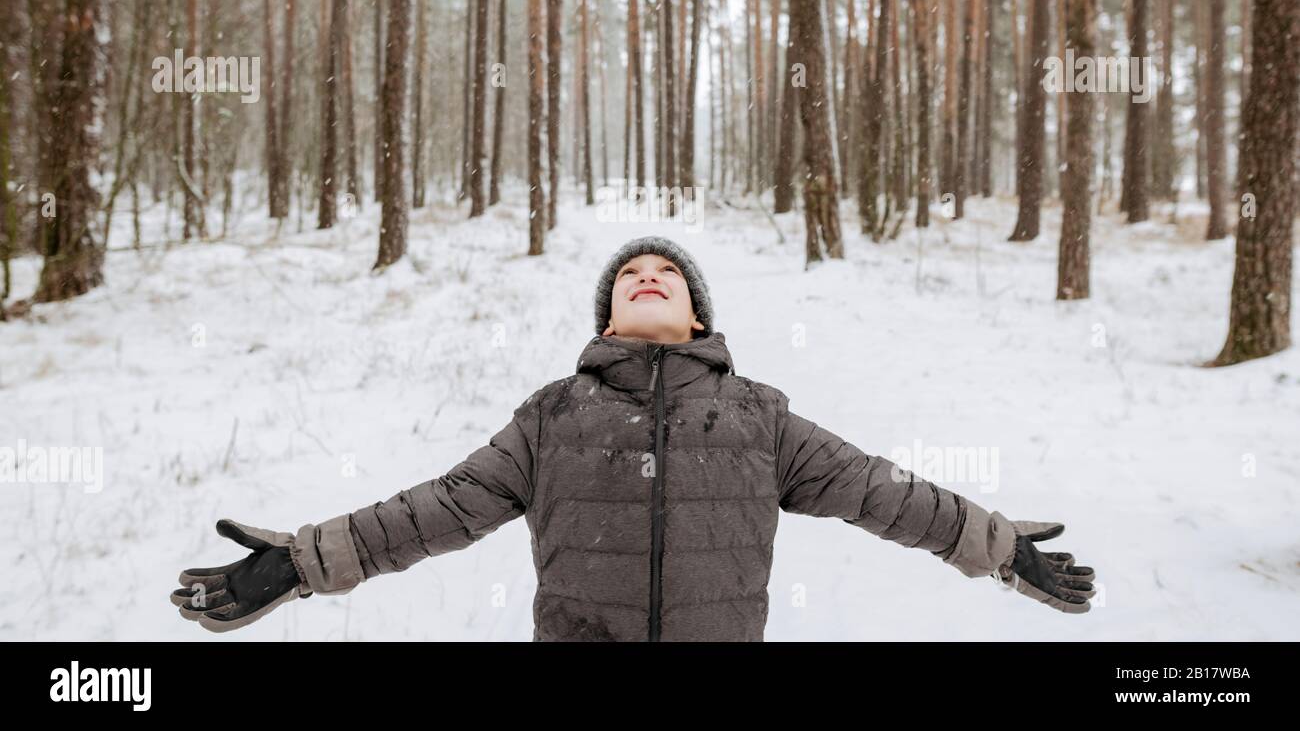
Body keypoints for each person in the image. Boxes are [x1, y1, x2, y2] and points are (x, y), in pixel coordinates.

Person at [172, 236, 1095, 640]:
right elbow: (435, 510)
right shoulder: (552, 417)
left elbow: (885, 492)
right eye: (630, 275)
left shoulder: (759, 417)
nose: (647, 278)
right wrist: (303, 561)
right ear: (609, 318)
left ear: (697, 318)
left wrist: (1000, 545)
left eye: (667, 274)